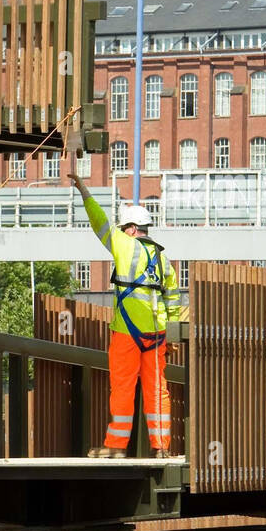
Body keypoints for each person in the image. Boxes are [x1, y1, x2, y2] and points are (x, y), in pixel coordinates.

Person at [69, 156, 185, 459]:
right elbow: (174, 298)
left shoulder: (123, 244)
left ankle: (117, 447)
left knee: (122, 388)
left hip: (126, 332)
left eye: (125, 227)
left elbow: (99, 223)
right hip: (157, 334)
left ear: (131, 228)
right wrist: (171, 335)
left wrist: (84, 192)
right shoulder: (164, 259)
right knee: (157, 391)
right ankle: (161, 449)